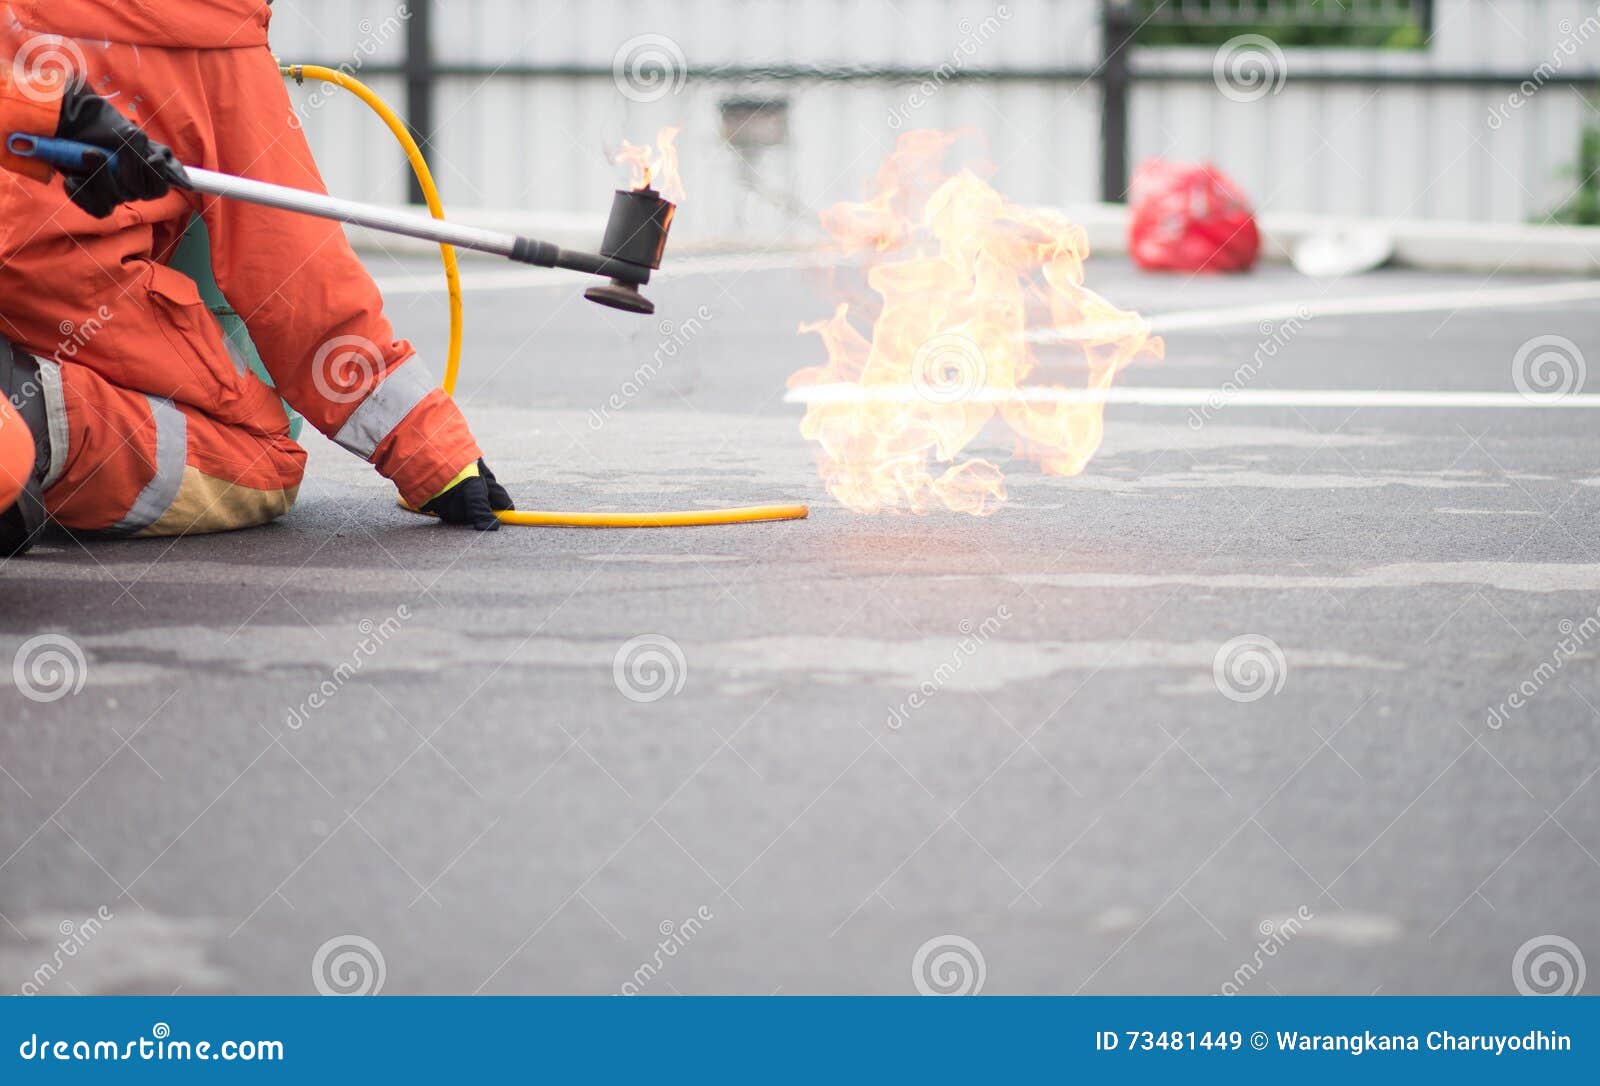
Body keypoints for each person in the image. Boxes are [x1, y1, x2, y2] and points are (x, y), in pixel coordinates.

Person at [0, 1, 512, 557]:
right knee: (262, 458)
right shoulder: (208, 24)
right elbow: (291, 268)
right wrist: (429, 449)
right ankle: (32, 418)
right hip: (61, 291)